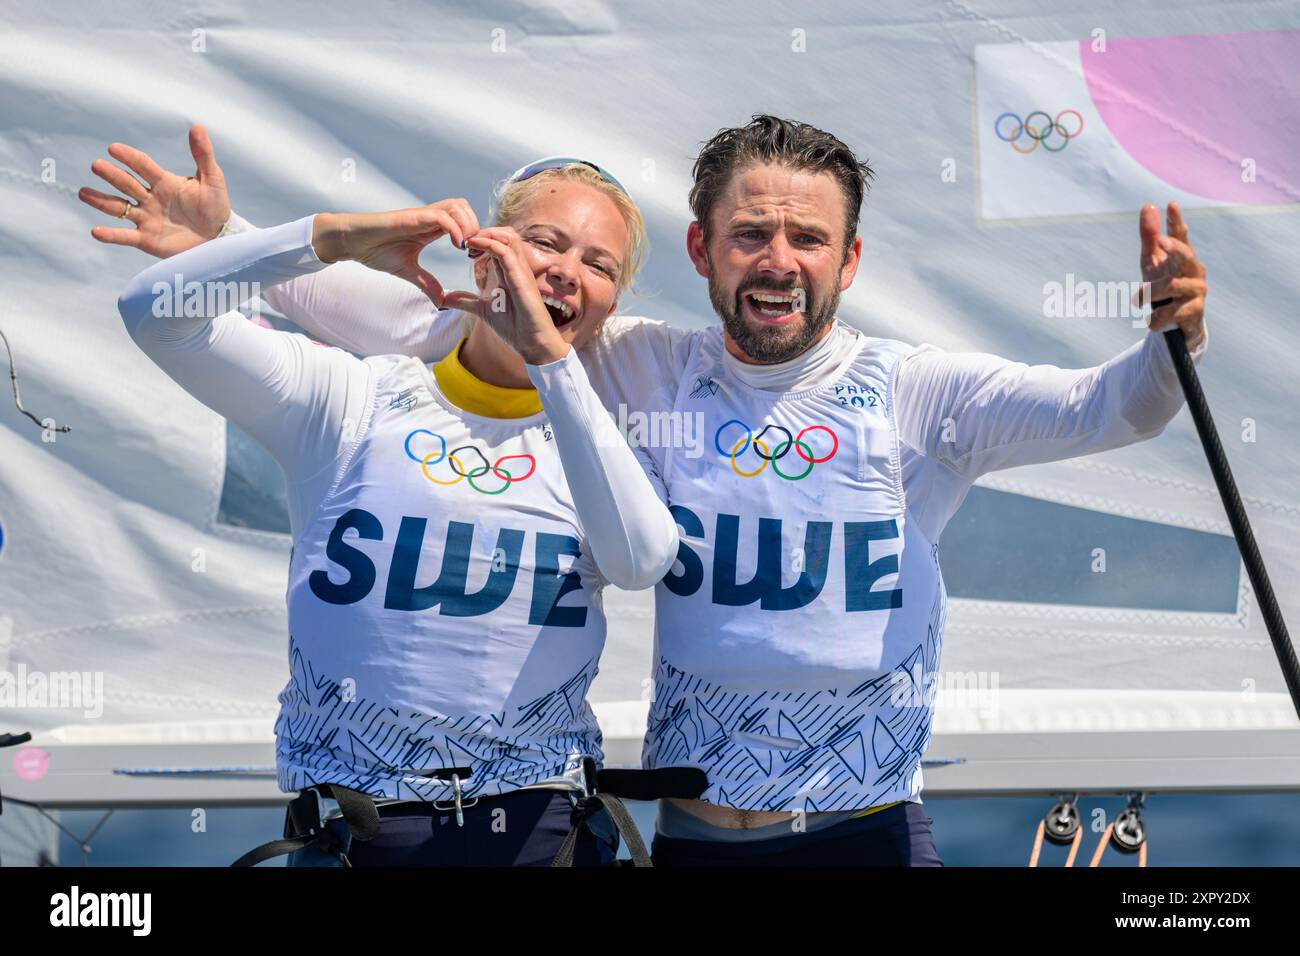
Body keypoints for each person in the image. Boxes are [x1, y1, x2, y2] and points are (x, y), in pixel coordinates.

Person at [87, 115, 1209, 865]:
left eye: (808, 238)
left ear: (849, 261)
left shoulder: (917, 392)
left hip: (860, 833)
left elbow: (1113, 409)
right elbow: (428, 314)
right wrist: (234, 239)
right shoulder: (635, 364)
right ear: (704, 248)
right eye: (750, 232)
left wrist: (1168, 338)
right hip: (691, 838)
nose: (779, 257)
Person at [111, 153, 680, 866]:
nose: (567, 269)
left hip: (541, 836)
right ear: (483, 258)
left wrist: (549, 362)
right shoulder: (348, 399)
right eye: (544, 241)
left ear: (610, 308)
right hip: (358, 835)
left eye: (600, 264)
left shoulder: (610, 436)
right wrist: (335, 237)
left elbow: (640, 562)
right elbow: (153, 315)